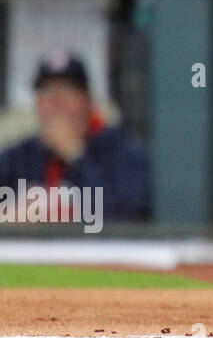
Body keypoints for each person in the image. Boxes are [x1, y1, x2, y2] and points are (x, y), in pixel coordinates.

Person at [0, 53, 151, 222]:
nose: (56, 103)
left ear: (87, 101)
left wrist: (75, 155)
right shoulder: (21, 155)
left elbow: (124, 217)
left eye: (66, 91)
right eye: (47, 92)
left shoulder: (122, 152)